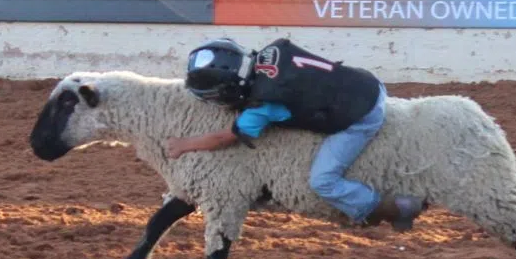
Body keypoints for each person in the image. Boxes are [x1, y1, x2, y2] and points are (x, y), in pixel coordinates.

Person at [165, 38, 426, 231]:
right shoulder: (271, 52)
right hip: (366, 83)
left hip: (364, 115)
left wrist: (184, 145)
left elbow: (225, 138)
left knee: (323, 180)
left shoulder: (260, 108)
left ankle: (385, 208)